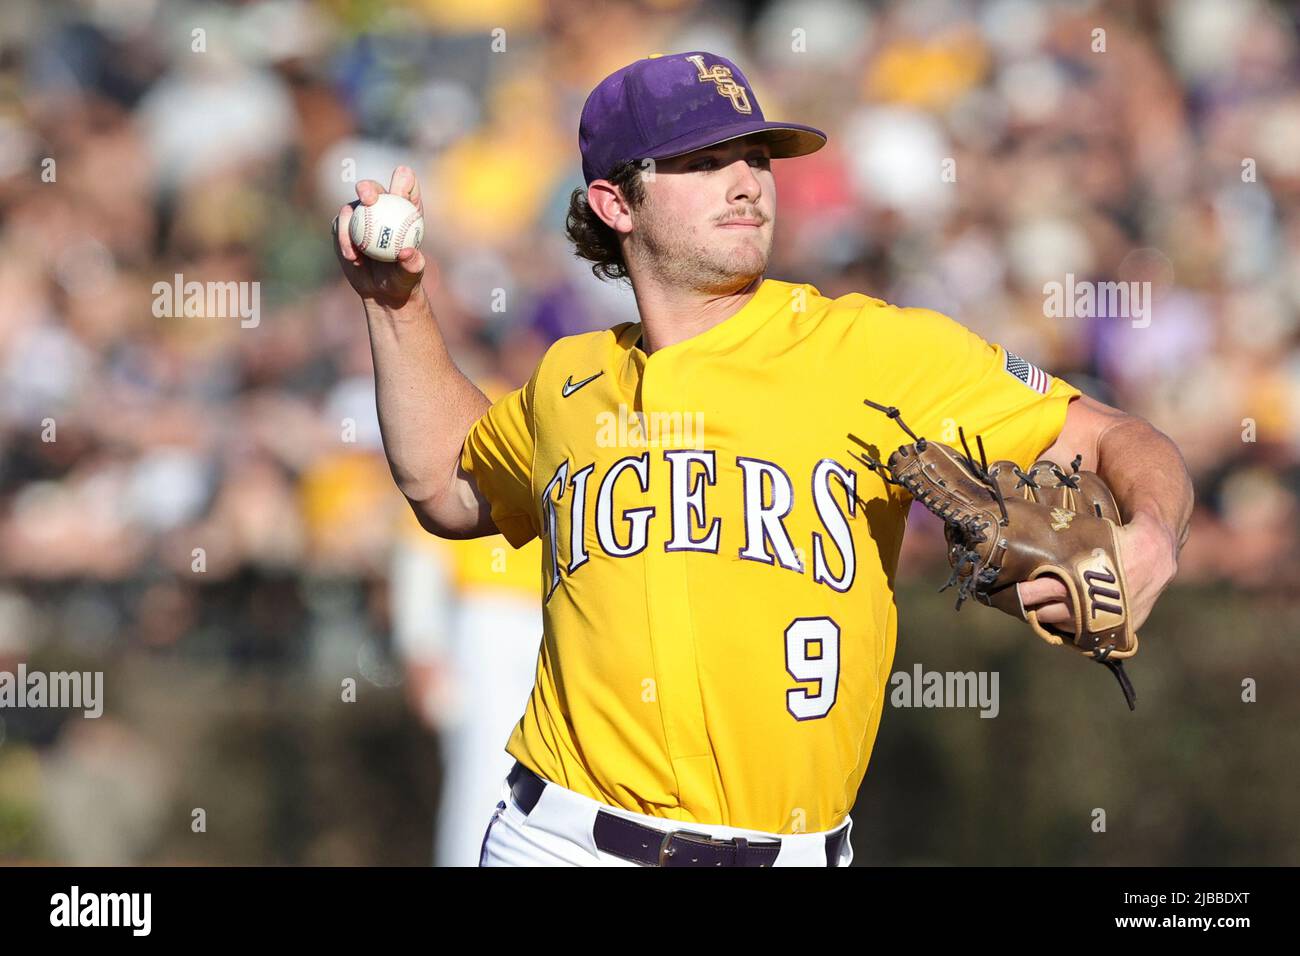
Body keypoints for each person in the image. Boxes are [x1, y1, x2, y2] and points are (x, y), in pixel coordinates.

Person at [331, 51, 1193, 868]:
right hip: (557, 841)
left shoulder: (869, 350)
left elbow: (1115, 436)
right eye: (705, 161)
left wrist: (1152, 534)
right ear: (615, 203)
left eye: (757, 156)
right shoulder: (569, 382)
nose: (747, 182)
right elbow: (444, 483)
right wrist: (397, 304)